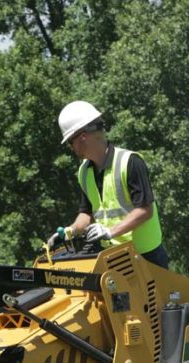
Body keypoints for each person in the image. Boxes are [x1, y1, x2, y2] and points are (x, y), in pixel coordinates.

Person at [49, 101, 169, 269]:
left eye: (70, 141)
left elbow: (145, 210)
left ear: (82, 137)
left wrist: (110, 232)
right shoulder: (84, 172)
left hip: (147, 256)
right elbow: (87, 213)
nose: (71, 147)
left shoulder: (130, 162)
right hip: (114, 256)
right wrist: (69, 232)